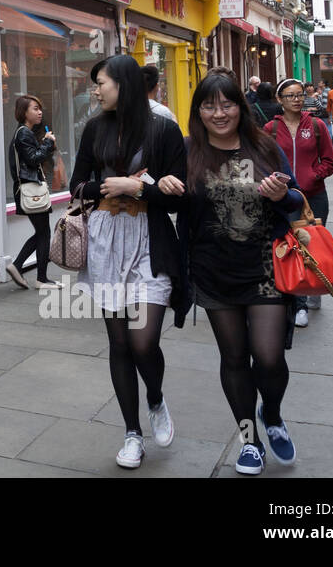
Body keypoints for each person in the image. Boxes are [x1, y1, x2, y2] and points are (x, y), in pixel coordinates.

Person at [165, 69, 304, 475]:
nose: (219, 112)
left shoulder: (262, 146)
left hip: (265, 267)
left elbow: (295, 200)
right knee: (234, 357)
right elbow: (172, 204)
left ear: (240, 107)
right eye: (209, 105)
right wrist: (166, 187)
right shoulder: (188, 150)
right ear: (199, 111)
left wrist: (284, 194)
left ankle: (272, 415)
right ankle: (250, 440)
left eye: (227, 104)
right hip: (212, 271)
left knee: (270, 357)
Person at [69, 55, 188, 469]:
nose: (95, 90)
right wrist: (107, 186)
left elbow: (178, 195)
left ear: (123, 83)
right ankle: (131, 433)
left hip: (149, 242)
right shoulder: (94, 128)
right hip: (106, 241)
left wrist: (138, 187)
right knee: (119, 342)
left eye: (100, 82)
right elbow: (76, 186)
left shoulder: (164, 130)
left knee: (143, 340)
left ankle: (155, 397)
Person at [265, 79, 333, 330]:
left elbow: (330, 160)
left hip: (314, 195)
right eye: (290, 96)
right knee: (293, 246)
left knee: (314, 243)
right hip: (286, 198)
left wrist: (313, 176)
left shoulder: (316, 125)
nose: (296, 100)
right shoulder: (270, 129)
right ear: (280, 99)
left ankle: (314, 286)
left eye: (299, 95)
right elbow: (263, 161)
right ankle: (300, 304)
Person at [6, 95, 57, 289]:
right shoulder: (23, 133)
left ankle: (17, 266)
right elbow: (34, 159)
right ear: (24, 112)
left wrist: (45, 143)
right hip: (30, 189)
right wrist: (48, 143)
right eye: (35, 108)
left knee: (42, 232)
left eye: (40, 108)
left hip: (29, 188)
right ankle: (40, 279)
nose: (40, 112)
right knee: (44, 233)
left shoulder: (24, 133)